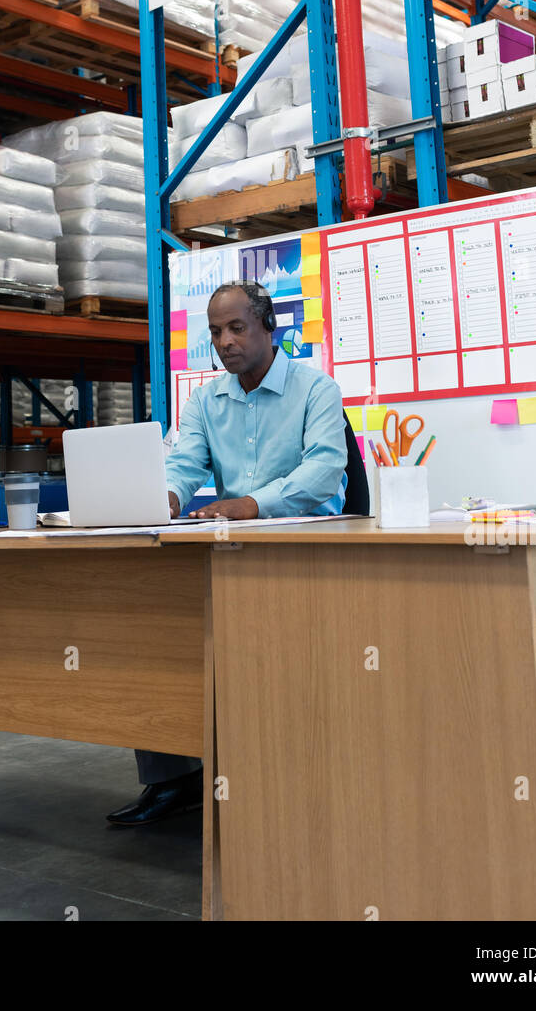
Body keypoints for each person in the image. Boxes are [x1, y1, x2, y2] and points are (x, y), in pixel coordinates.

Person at [106, 279, 348, 826]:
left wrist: (254, 504)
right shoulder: (205, 400)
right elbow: (183, 464)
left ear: (269, 327)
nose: (225, 342)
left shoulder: (316, 389)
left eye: (237, 328)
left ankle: (282, 776)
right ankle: (174, 779)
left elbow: (324, 470)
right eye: (216, 332)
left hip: (307, 549)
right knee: (153, 629)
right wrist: (164, 497)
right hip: (230, 547)